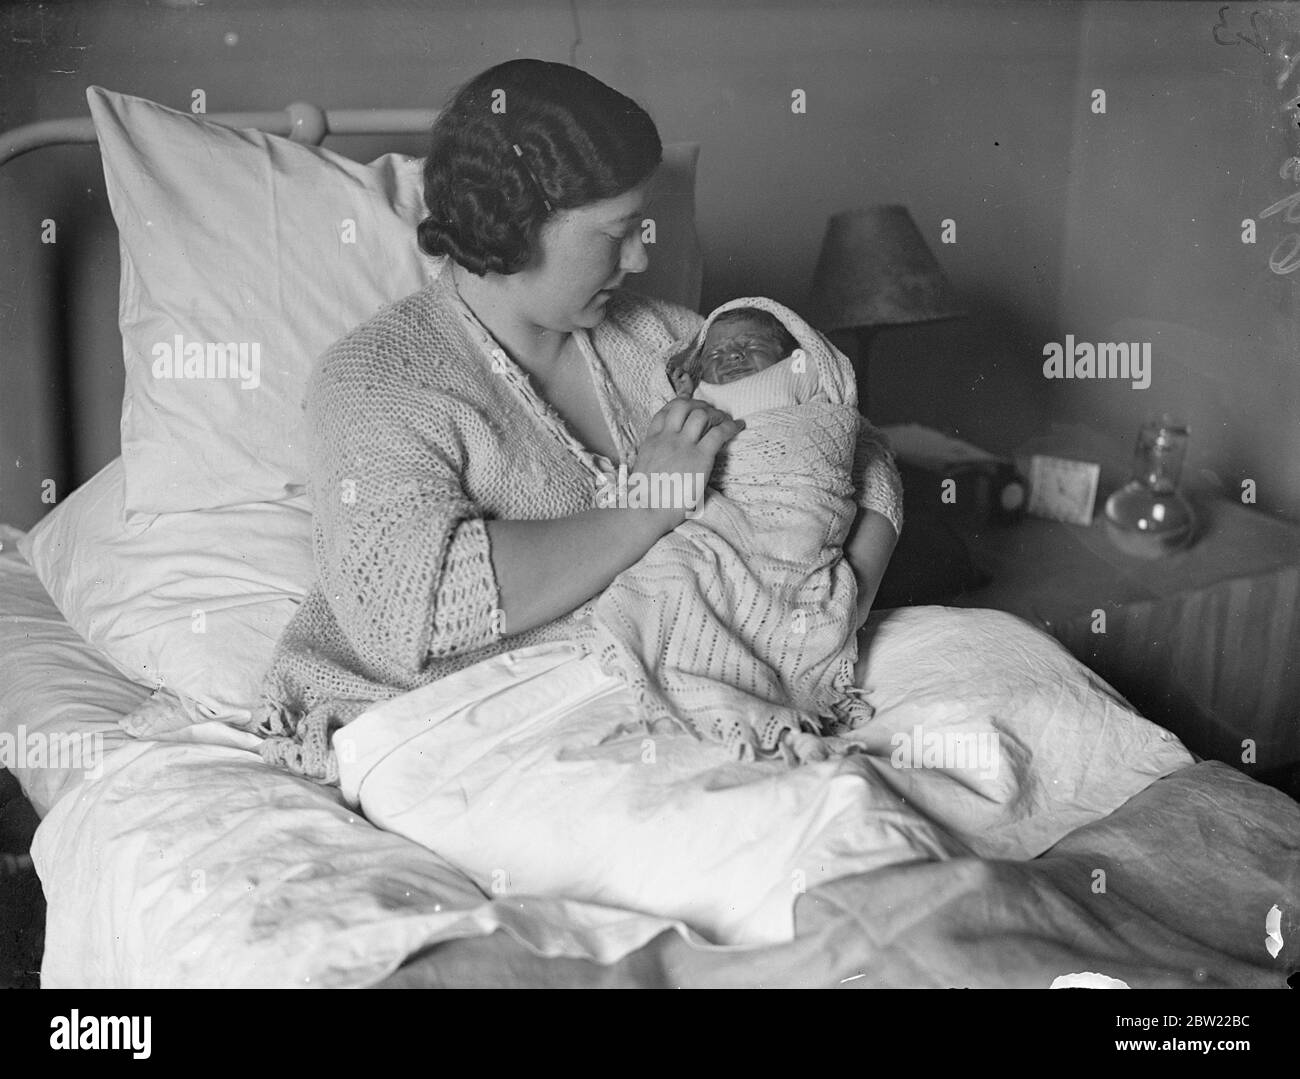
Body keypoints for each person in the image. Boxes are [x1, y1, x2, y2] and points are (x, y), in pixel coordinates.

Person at [255, 58, 901, 782]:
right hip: (490, 716)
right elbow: (415, 605)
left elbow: (852, 445)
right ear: (517, 222)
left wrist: (836, 606)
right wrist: (647, 508)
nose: (642, 254)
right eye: (618, 231)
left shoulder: (661, 339)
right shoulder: (377, 378)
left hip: (714, 676)